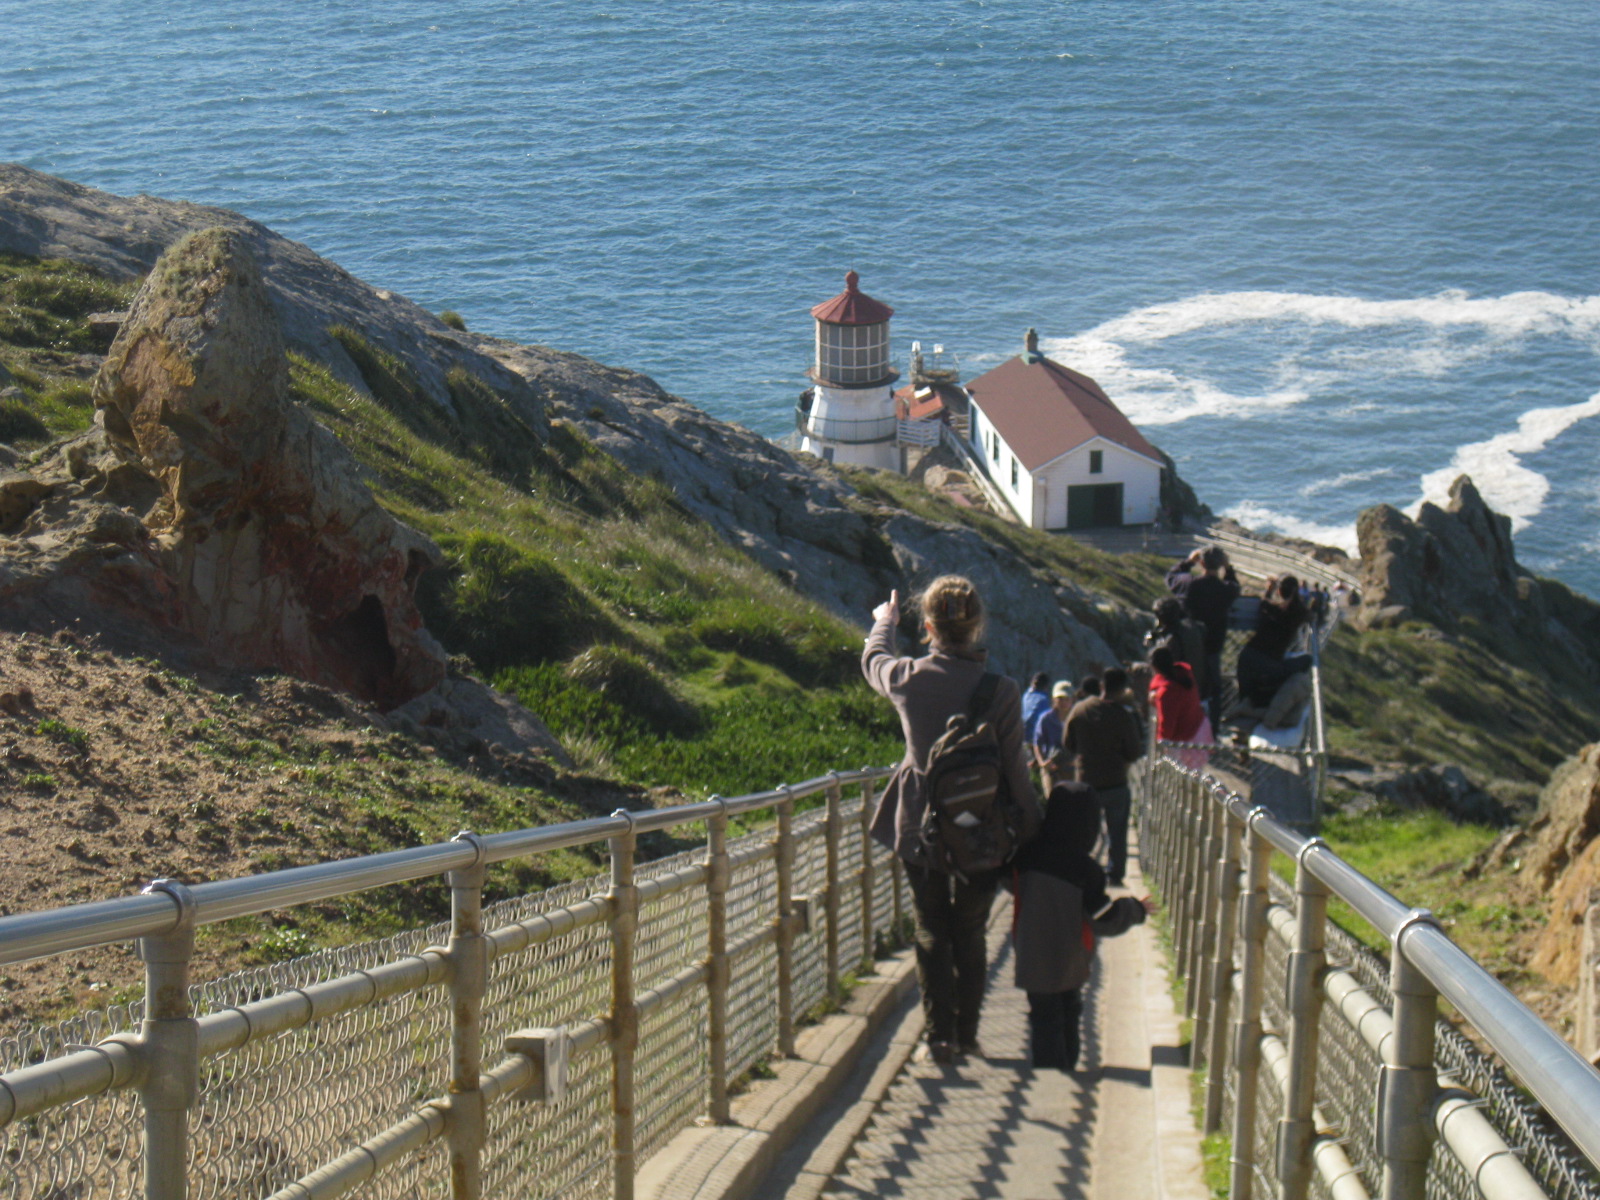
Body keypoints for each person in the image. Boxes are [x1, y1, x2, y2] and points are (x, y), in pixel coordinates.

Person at [863, 576, 1040, 1065]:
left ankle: (938, 1036)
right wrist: (1029, 825)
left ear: (928, 627)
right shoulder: (1002, 691)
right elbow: (1015, 770)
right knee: (971, 931)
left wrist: (884, 623)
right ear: (977, 625)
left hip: (920, 827)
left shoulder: (908, 678)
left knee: (930, 930)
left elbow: (873, 662)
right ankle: (967, 1033)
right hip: (983, 832)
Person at [1013, 784, 1151, 1071]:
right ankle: (1064, 1067)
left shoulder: (1026, 856)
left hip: (1031, 954)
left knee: (1042, 1017)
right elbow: (1103, 918)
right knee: (1069, 1012)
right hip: (1069, 958)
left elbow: (1008, 883)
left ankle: (1048, 1071)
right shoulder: (1085, 870)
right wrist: (1135, 909)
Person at [1062, 668, 1144, 887]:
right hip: (1115, 782)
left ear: (1102, 686)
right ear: (1123, 689)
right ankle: (1114, 874)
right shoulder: (1123, 716)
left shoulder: (1080, 710)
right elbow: (1134, 752)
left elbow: (1068, 743)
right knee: (1117, 832)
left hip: (1086, 782)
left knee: (1084, 830)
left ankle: (1079, 869)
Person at [1235, 574, 1312, 713]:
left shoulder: (1269, 608)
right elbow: (1306, 613)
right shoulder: (1297, 613)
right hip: (1270, 663)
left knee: (1245, 695)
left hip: (1248, 655)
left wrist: (1268, 591)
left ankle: (1242, 713)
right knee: (1307, 659)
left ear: (1279, 590)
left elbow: (1264, 604)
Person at [1181, 547, 1241, 717]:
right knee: (1213, 689)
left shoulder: (1191, 585)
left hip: (1192, 643)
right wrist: (1228, 569)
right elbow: (1235, 585)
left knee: (1190, 685)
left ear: (1201, 562)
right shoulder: (1226, 589)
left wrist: (1188, 563)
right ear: (1221, 564)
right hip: (1214, 645)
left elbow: (1174, 578)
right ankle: (1211, 728)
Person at [1148, 646, 1213, 769]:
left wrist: (1161, 744)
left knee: (1180, 778)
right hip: (1199, 729)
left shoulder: (1167, 692)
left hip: (1184, 740)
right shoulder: (1184, 673)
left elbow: (1167, 725)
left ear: (1154, 667)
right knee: (1195, 775)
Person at [1148, 596, 1209, 700]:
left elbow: (1163, 669)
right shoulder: (1194, 628)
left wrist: (1153, 644)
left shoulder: (1171, 640)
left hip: (1180, 691)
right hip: (1199, 688)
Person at [1032, 681, 1073, 792]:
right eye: (1060, 698)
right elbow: (1037, 742)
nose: (1063, 702)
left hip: (1071, 767)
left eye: (1066, 699)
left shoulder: (1075, 718)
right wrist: (1042, 763)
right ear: (1054, 699)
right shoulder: (1045, 719)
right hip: (1051, 768)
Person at [1021, 672, 1053, 744]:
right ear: (1046, 686)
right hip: (1035, 740)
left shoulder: (1025, 696)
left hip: (1023, 737)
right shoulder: (1043, 700)